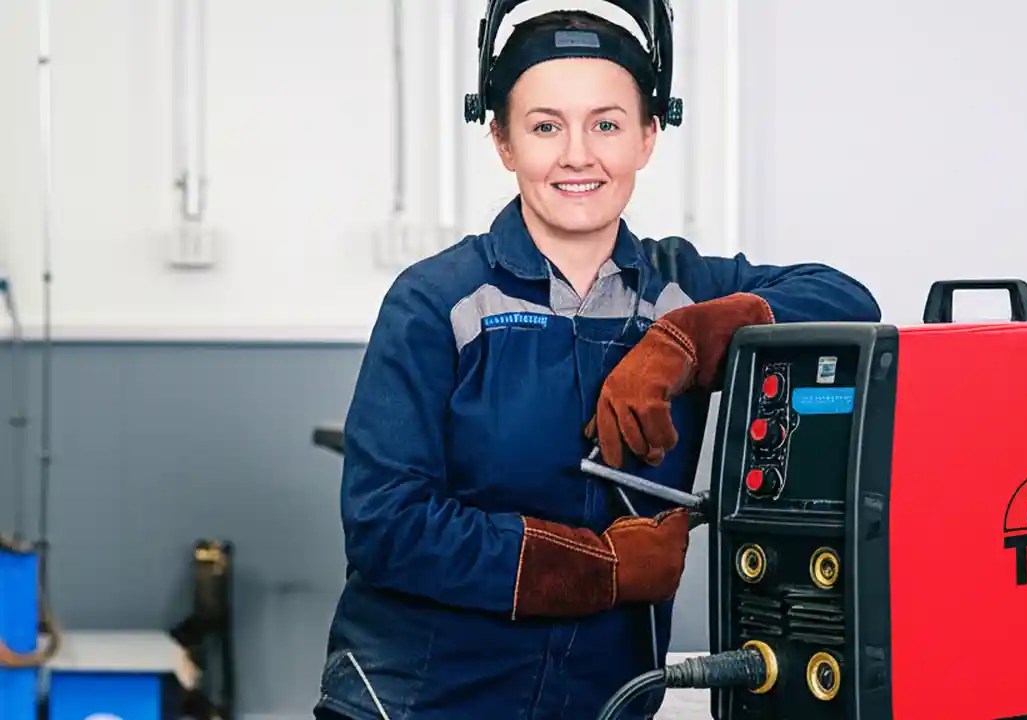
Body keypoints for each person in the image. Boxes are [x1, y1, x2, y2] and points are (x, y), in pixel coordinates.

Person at [314, 7, 880, 720]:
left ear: (648, 136)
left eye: (607, 124)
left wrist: (686, 338)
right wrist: (594, 570)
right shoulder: (436, 301)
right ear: (502, 141)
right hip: (419, 703)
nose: (578, 155)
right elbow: (388, 527)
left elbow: (847, 299)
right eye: (546, 126)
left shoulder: (683, 286)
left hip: (600, 703)